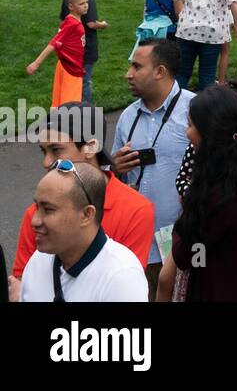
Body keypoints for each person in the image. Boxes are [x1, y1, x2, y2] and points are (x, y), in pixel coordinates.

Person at [11, 103, 154, 287]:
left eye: (56, 150)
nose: (46, 162)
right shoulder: (37, 213)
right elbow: (22, 283)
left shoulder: (136, 211)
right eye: (43, 151)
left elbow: (123, 283)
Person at [166, 85, 237, 301]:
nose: (187, 132)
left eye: (191, 125)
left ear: (209, 133)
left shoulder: (219, 195)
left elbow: (187, 255)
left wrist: (182, 223)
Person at [111, 37, 193, 299]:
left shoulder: (195, 111)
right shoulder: (127, 116)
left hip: (183, 241)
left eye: (137, 67)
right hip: (136, 244)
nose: (128, 75)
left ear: (160, 72)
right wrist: (114, 168)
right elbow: (111, 184)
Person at [18, 161, 148, 301]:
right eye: (37, 207)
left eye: (48, 209)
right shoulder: (38, 260)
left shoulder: (121, 277)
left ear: (87, 215)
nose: (34, 221)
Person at [27, 0, 89, 105]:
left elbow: (60, 43)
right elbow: (54, 43)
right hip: (71, 69)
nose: (85, 6)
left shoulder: (71, 21)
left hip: (66, 65)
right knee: (70, 105)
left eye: (86, 2)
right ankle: (66, 122)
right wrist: (36, 63)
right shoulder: (72, 23)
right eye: (81, 3)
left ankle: (59, 122)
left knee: (61, 103)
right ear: (71, 6)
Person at [56, 0, 107, 104]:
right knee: (85, 82)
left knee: (73, 81)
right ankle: (83, 110)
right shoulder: (88, 0)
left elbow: (62, 22)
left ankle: (69, 106)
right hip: (86, 47)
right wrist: (102, 24)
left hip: (70, 48)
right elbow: (91, 24)